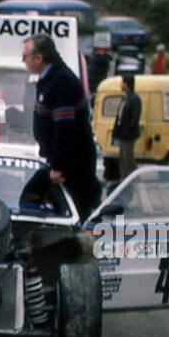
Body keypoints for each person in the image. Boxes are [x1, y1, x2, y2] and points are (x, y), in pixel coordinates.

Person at [22, 33, 101, 219]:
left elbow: (65, 129)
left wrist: (58, 166)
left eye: (25, 56)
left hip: (72, 165)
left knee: (77, 210)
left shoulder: (62, 82)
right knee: (33, 198)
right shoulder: (49, 79)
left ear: (39, 58)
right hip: (56, 160)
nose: (22, 60)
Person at [112, 72, 142, 180]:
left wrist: (125, 131)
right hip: (122, 135)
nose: (121, 85)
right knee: (122, 160)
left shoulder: (134, 99)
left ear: (126, 84)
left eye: (122, 83)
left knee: (128, 160)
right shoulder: (126, 98)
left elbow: (134, 119)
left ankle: (132, 180)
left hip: (128, 136)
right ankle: (124, 180)